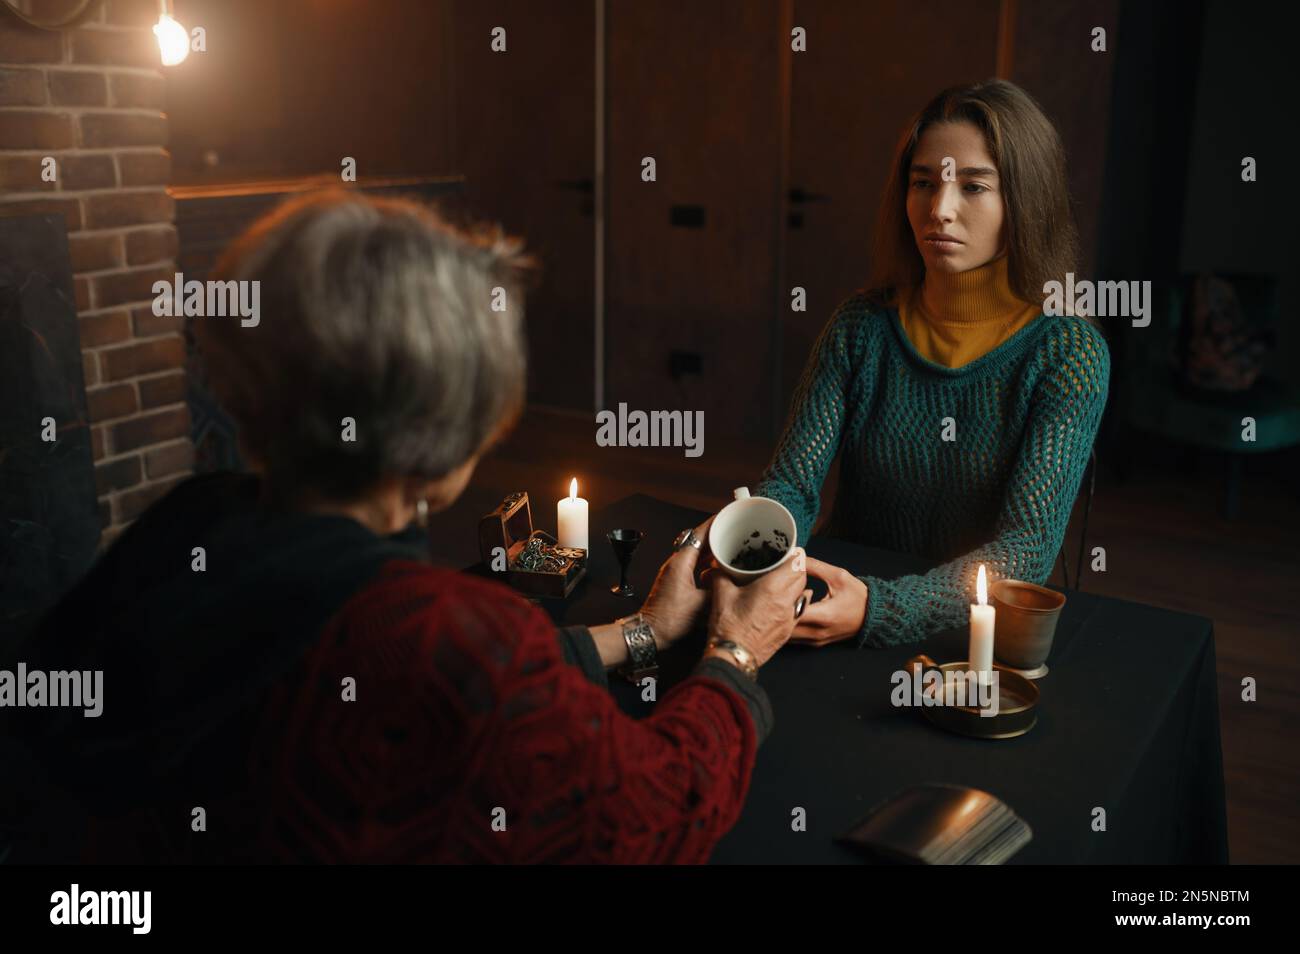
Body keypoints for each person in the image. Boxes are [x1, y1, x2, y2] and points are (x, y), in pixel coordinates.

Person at [0, 190, 810, 864]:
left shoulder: (189, 521)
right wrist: (735, 653)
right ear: (448, 428)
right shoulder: (446, 635)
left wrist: (640, 633)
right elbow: (656, 816)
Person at [756, 79, 1110, 649]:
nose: (939, 210)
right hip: (831, 600)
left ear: (1025, 200)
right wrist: (750, 543)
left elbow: (1025, 549)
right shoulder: (861, 326)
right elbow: (792, 485)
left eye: (974, 186)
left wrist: (881, 609)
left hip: (966, 636)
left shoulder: (1067, 353)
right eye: (923, 183)